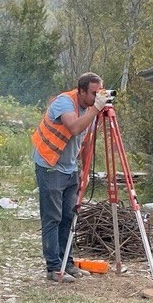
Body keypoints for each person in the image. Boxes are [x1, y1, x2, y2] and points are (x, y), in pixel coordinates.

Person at [31, 72, 112, 284]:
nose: (97, 97)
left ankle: (67, 263)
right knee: (53, 217)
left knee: (68, 216)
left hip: (69, 168)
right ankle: (53, 268)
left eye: (100, 92)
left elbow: (85, 143)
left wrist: (85, 174)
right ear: (82, 91)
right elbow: (75, 128)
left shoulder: (90, 111)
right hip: (50, 164)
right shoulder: (64, 103)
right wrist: (96, 109)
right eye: (94, 93)